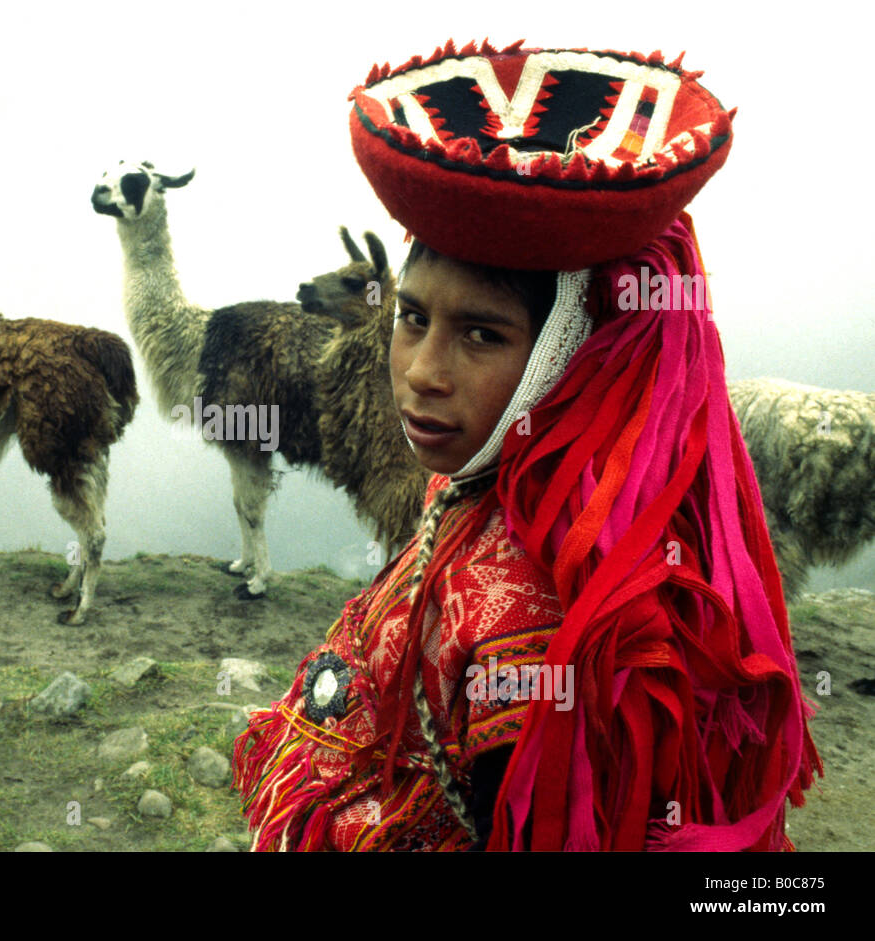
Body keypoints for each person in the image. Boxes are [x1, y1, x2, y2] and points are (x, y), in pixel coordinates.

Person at [234, 41, 821, 851]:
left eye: (481, 333)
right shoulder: (477, 477)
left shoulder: (547, 636)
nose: (423, 374)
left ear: (566, 353)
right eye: (413, 318)